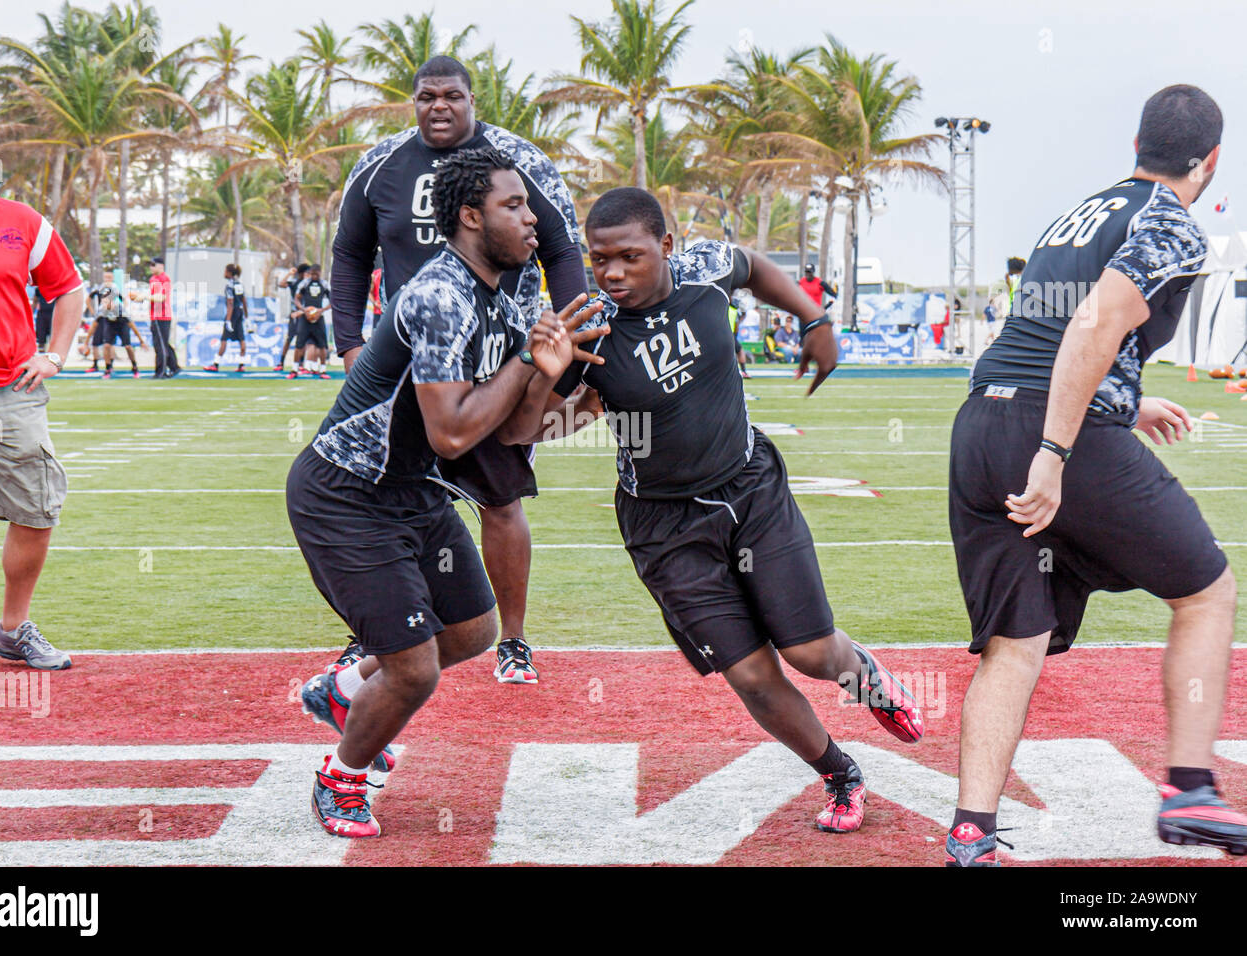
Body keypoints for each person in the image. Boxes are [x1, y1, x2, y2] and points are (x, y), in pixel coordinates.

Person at [499, 187, 924, 834]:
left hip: (749, 487)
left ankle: (863, 674)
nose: (612, 274)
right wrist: (539, 373)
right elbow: (525, 434)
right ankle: (840, 773)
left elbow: (754, 266)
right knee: (752, 673)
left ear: (666, 248)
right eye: (600, 259)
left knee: (809, 652)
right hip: (665, 527)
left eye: (630, 258)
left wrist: (814, 321)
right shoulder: (584, 324)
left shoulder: (703, 271)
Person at [946, 85, 1247, 866]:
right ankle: (1191, 792)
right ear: (1210, 161)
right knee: (1207, 591)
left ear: (1137, 144)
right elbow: (1093, 323)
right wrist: (1053, 452)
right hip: (1048, 435)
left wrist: (1126, 397)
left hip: (980, 421)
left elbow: (1050, 328)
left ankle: (971, 829)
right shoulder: (1169, 223)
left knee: (1017, 642)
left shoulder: (1082, 210)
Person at [288, 147, 605, 836]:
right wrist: (526, 358)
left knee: (471, 630)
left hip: (411, 493)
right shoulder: (440, 296)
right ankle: (340, 778)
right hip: (348, 495)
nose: (533, 219)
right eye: (514, 206)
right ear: (469, 216)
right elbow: (454, 435)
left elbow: (513, 428)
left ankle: (341, 689)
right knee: (413, 670)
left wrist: (567, 389)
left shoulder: (495, 296)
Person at [328, 55, 588, 684]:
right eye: (425, 97)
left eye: (451, 96)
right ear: (411, 102)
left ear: (474, 99)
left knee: (500, 501)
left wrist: (571, 349)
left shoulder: (517, 160)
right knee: (379, 496)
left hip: (499, 360)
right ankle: (371, 637)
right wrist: (349, 345)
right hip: (407, 368)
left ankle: (515, 640)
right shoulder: (379, 164)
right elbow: (349, 253)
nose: (437, 106)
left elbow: (560, 247)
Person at [0, 115, 83, 682]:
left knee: (35, 511)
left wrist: (53, 355)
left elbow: (69, 289)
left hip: (15, 389)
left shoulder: (21, 220)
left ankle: (13, 628)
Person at [131, 257, 178, 378]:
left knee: (160, 345)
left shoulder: (164, 278)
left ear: (161, 266)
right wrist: (140, 298)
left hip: (162, 315)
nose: (151, 267)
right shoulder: (153, 279)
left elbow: (161, 297)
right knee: (162, 343)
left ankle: (161, 371)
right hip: (155, 315)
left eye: (153, 265)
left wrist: (143, 296)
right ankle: (174, 366)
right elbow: (153, 296)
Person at [288, 264, 331, 380]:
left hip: (318, 317)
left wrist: (321, 310)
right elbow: (296, 299)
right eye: (312, 274)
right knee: (299, 344)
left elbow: (333, 300)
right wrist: (303, 310)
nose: (314, 276)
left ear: (320, 273)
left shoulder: (325, 284)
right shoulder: (305, 283)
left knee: (322, 344)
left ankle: (323, 369)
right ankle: (294, 369)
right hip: (305, 317)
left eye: (316, 274)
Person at [205, 263, 248, 372]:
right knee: (241, 338)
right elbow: (244, 300)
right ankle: (241, 364)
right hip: (240, 312)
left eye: (225, 271)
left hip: (232, 313)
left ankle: (216, 364)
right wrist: (246, 316)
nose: (224, 273)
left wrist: (228, 320)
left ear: (229, 272)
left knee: (224, 338)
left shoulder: (229, 285)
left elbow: (230, 303)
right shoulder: (239, 284)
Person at [276, 263, 309, 372]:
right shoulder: (294, 282)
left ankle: (301, 364)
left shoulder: (308, 284)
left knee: (302, 340)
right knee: (289, 338)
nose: (308, 275)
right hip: (295, 314)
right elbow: (281, 284)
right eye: (306, 272)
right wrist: (289, 273)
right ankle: (281, 362)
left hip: (304, 314)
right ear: (301, 273)